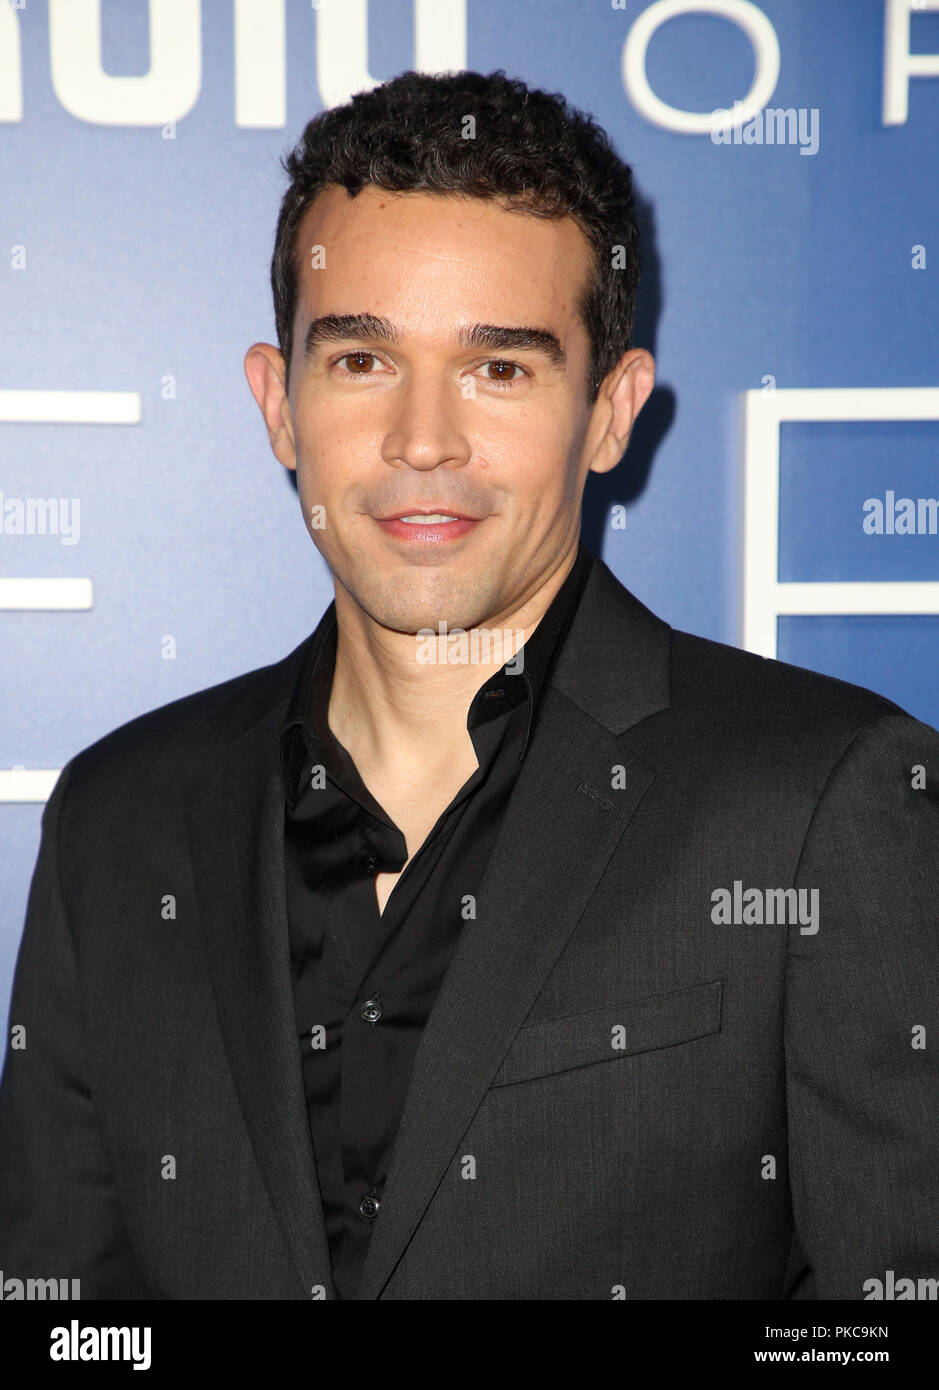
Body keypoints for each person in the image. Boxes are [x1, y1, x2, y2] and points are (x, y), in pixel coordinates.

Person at [1, 69, 937, 1302]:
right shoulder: (119, 817)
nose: (423, 439)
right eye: (361, 361)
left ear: (609, 413)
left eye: (499, 369)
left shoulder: (825, 799)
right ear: (280, 404)